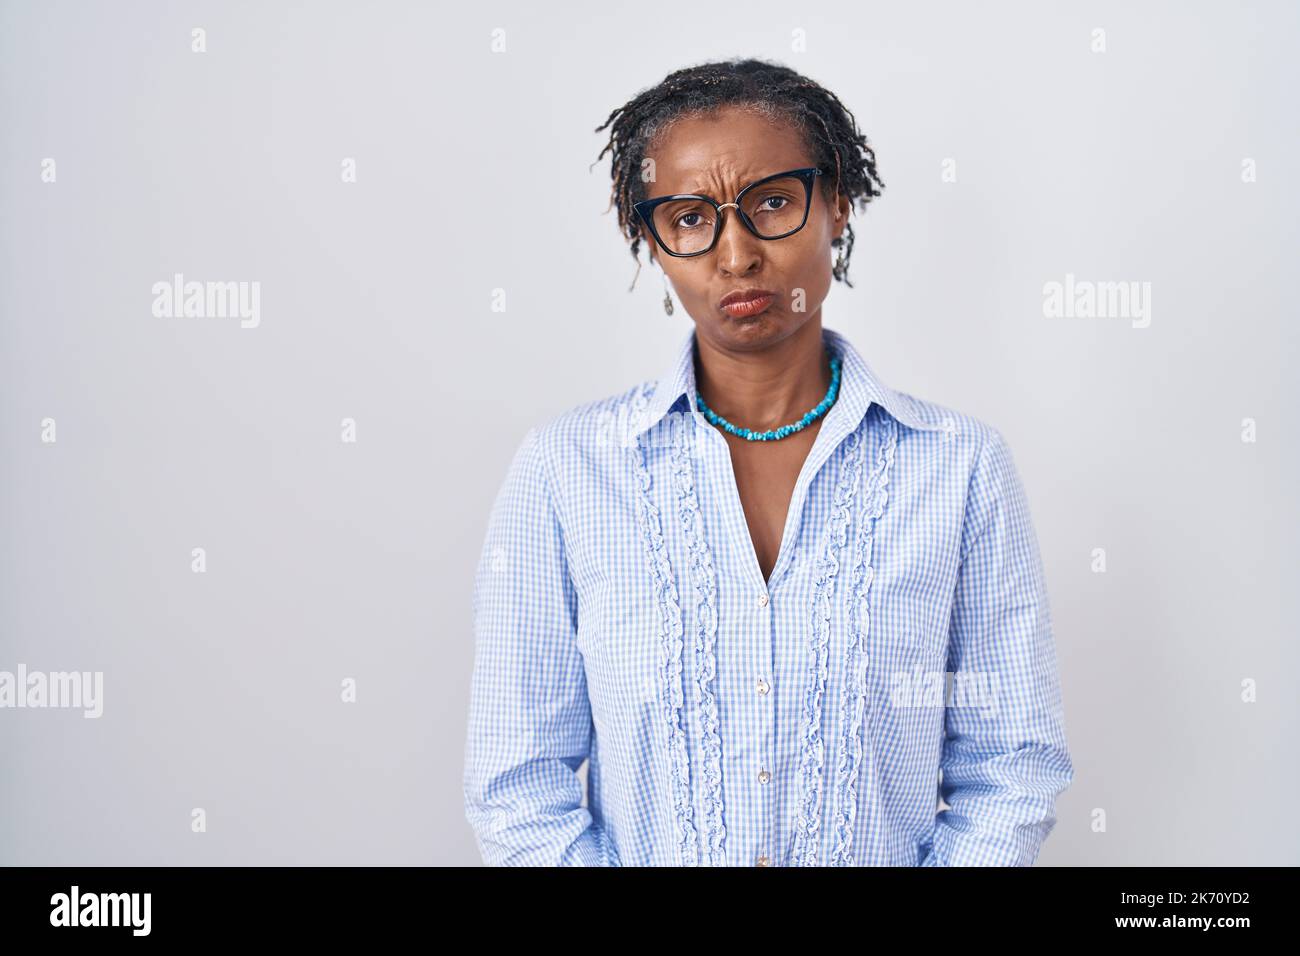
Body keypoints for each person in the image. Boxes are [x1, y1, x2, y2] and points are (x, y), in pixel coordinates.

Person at [463, 57, 1074, 866]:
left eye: (774, 203)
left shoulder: (959, 469)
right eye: (688, 218)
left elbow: (1013, 765)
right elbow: (516, 783)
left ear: (839, 206)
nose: (736, 254)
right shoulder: (567, 471)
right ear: (649, 240)